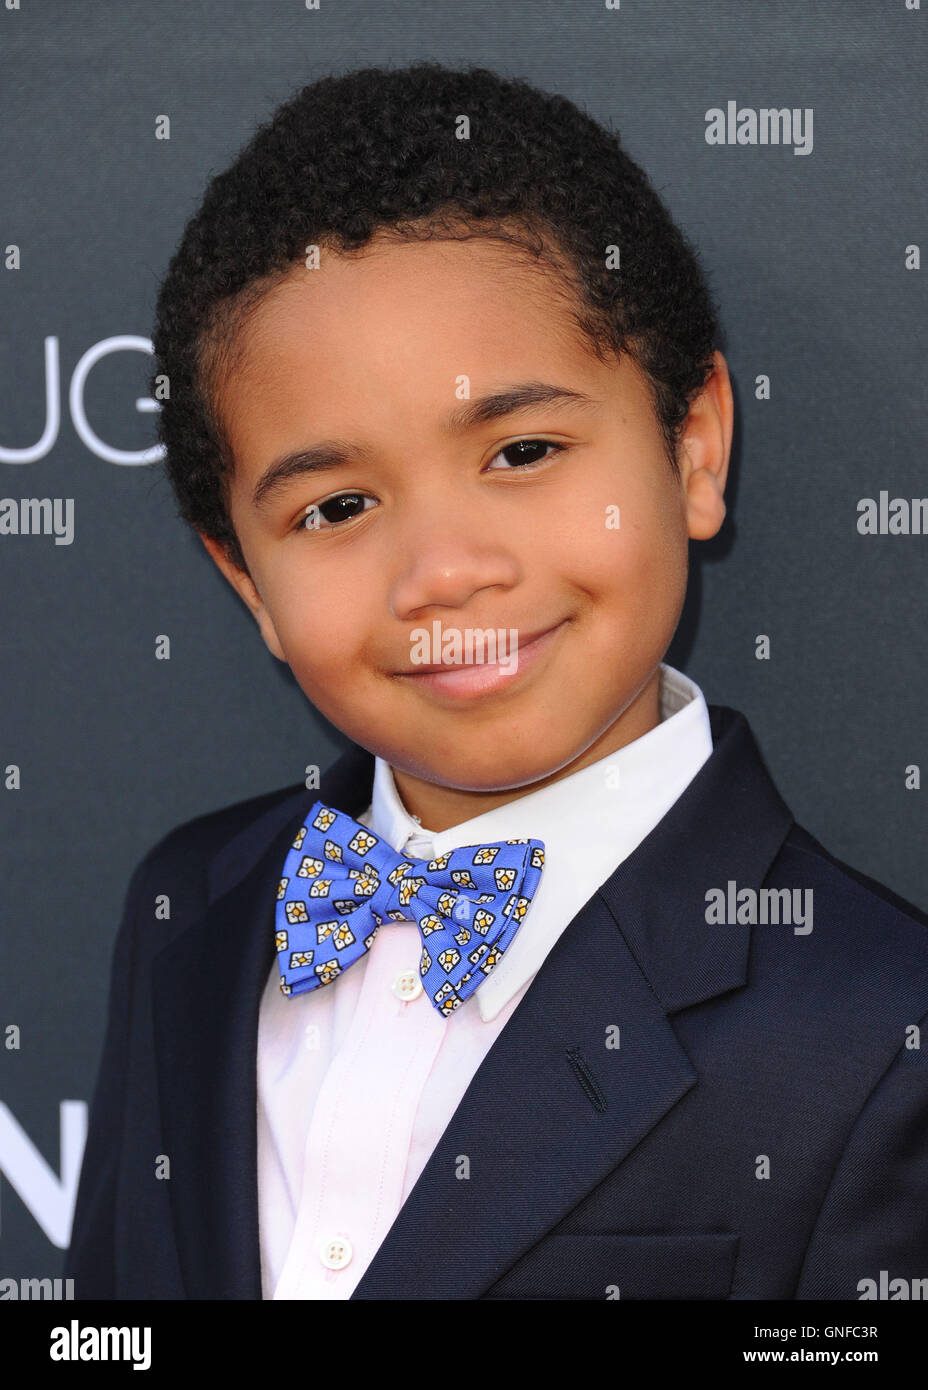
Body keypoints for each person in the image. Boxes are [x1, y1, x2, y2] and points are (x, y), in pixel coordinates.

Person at [65, 61, 928, 1301]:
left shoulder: (876, 1035)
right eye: (338, 506)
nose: (444, 571)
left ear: (694, 445)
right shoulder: (191, 909)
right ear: (247, 580)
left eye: (523, 452)